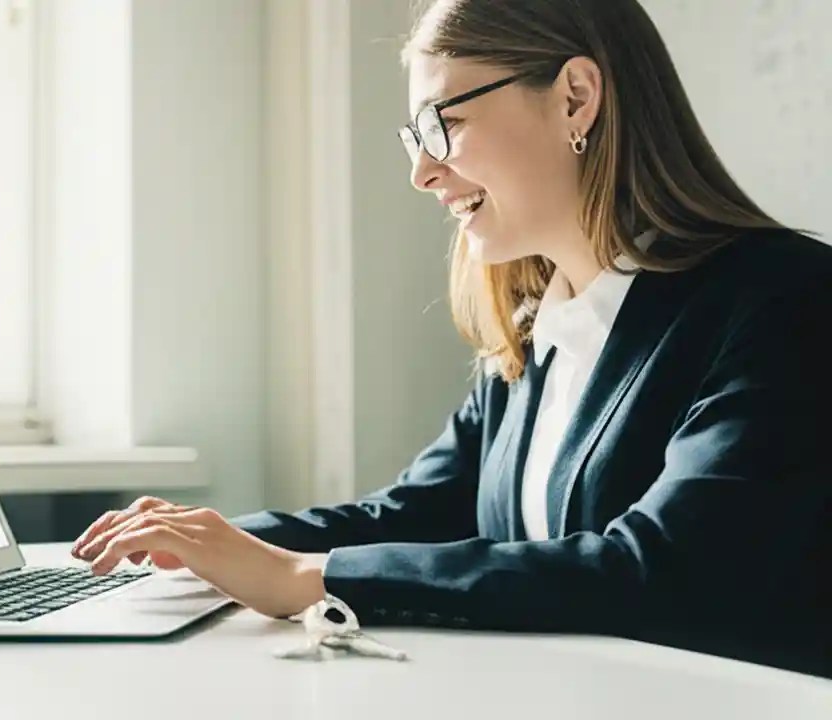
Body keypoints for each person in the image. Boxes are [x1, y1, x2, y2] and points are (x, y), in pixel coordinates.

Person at [70, 0, 831, 674]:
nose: (423, 173)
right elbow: (416, 513)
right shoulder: (540, 331)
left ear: (575, 97)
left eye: (445, 123)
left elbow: (659, 568)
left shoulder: (781, 299)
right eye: (415, 137)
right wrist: (205, 543)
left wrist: (311, 577)